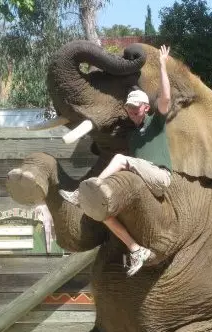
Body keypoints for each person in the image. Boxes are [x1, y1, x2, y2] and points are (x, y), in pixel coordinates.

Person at [59, 45, 172, 276]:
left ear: (146, 108)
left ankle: (83, 192)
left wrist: (162, 65)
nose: (131, 111)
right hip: (141, 183)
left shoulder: (156, 123)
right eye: (129, 108)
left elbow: (166, 97)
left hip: (161, 177)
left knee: (121, 159)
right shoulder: (131, 135)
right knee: (103, 212)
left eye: (135, 107)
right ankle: (136, 248)